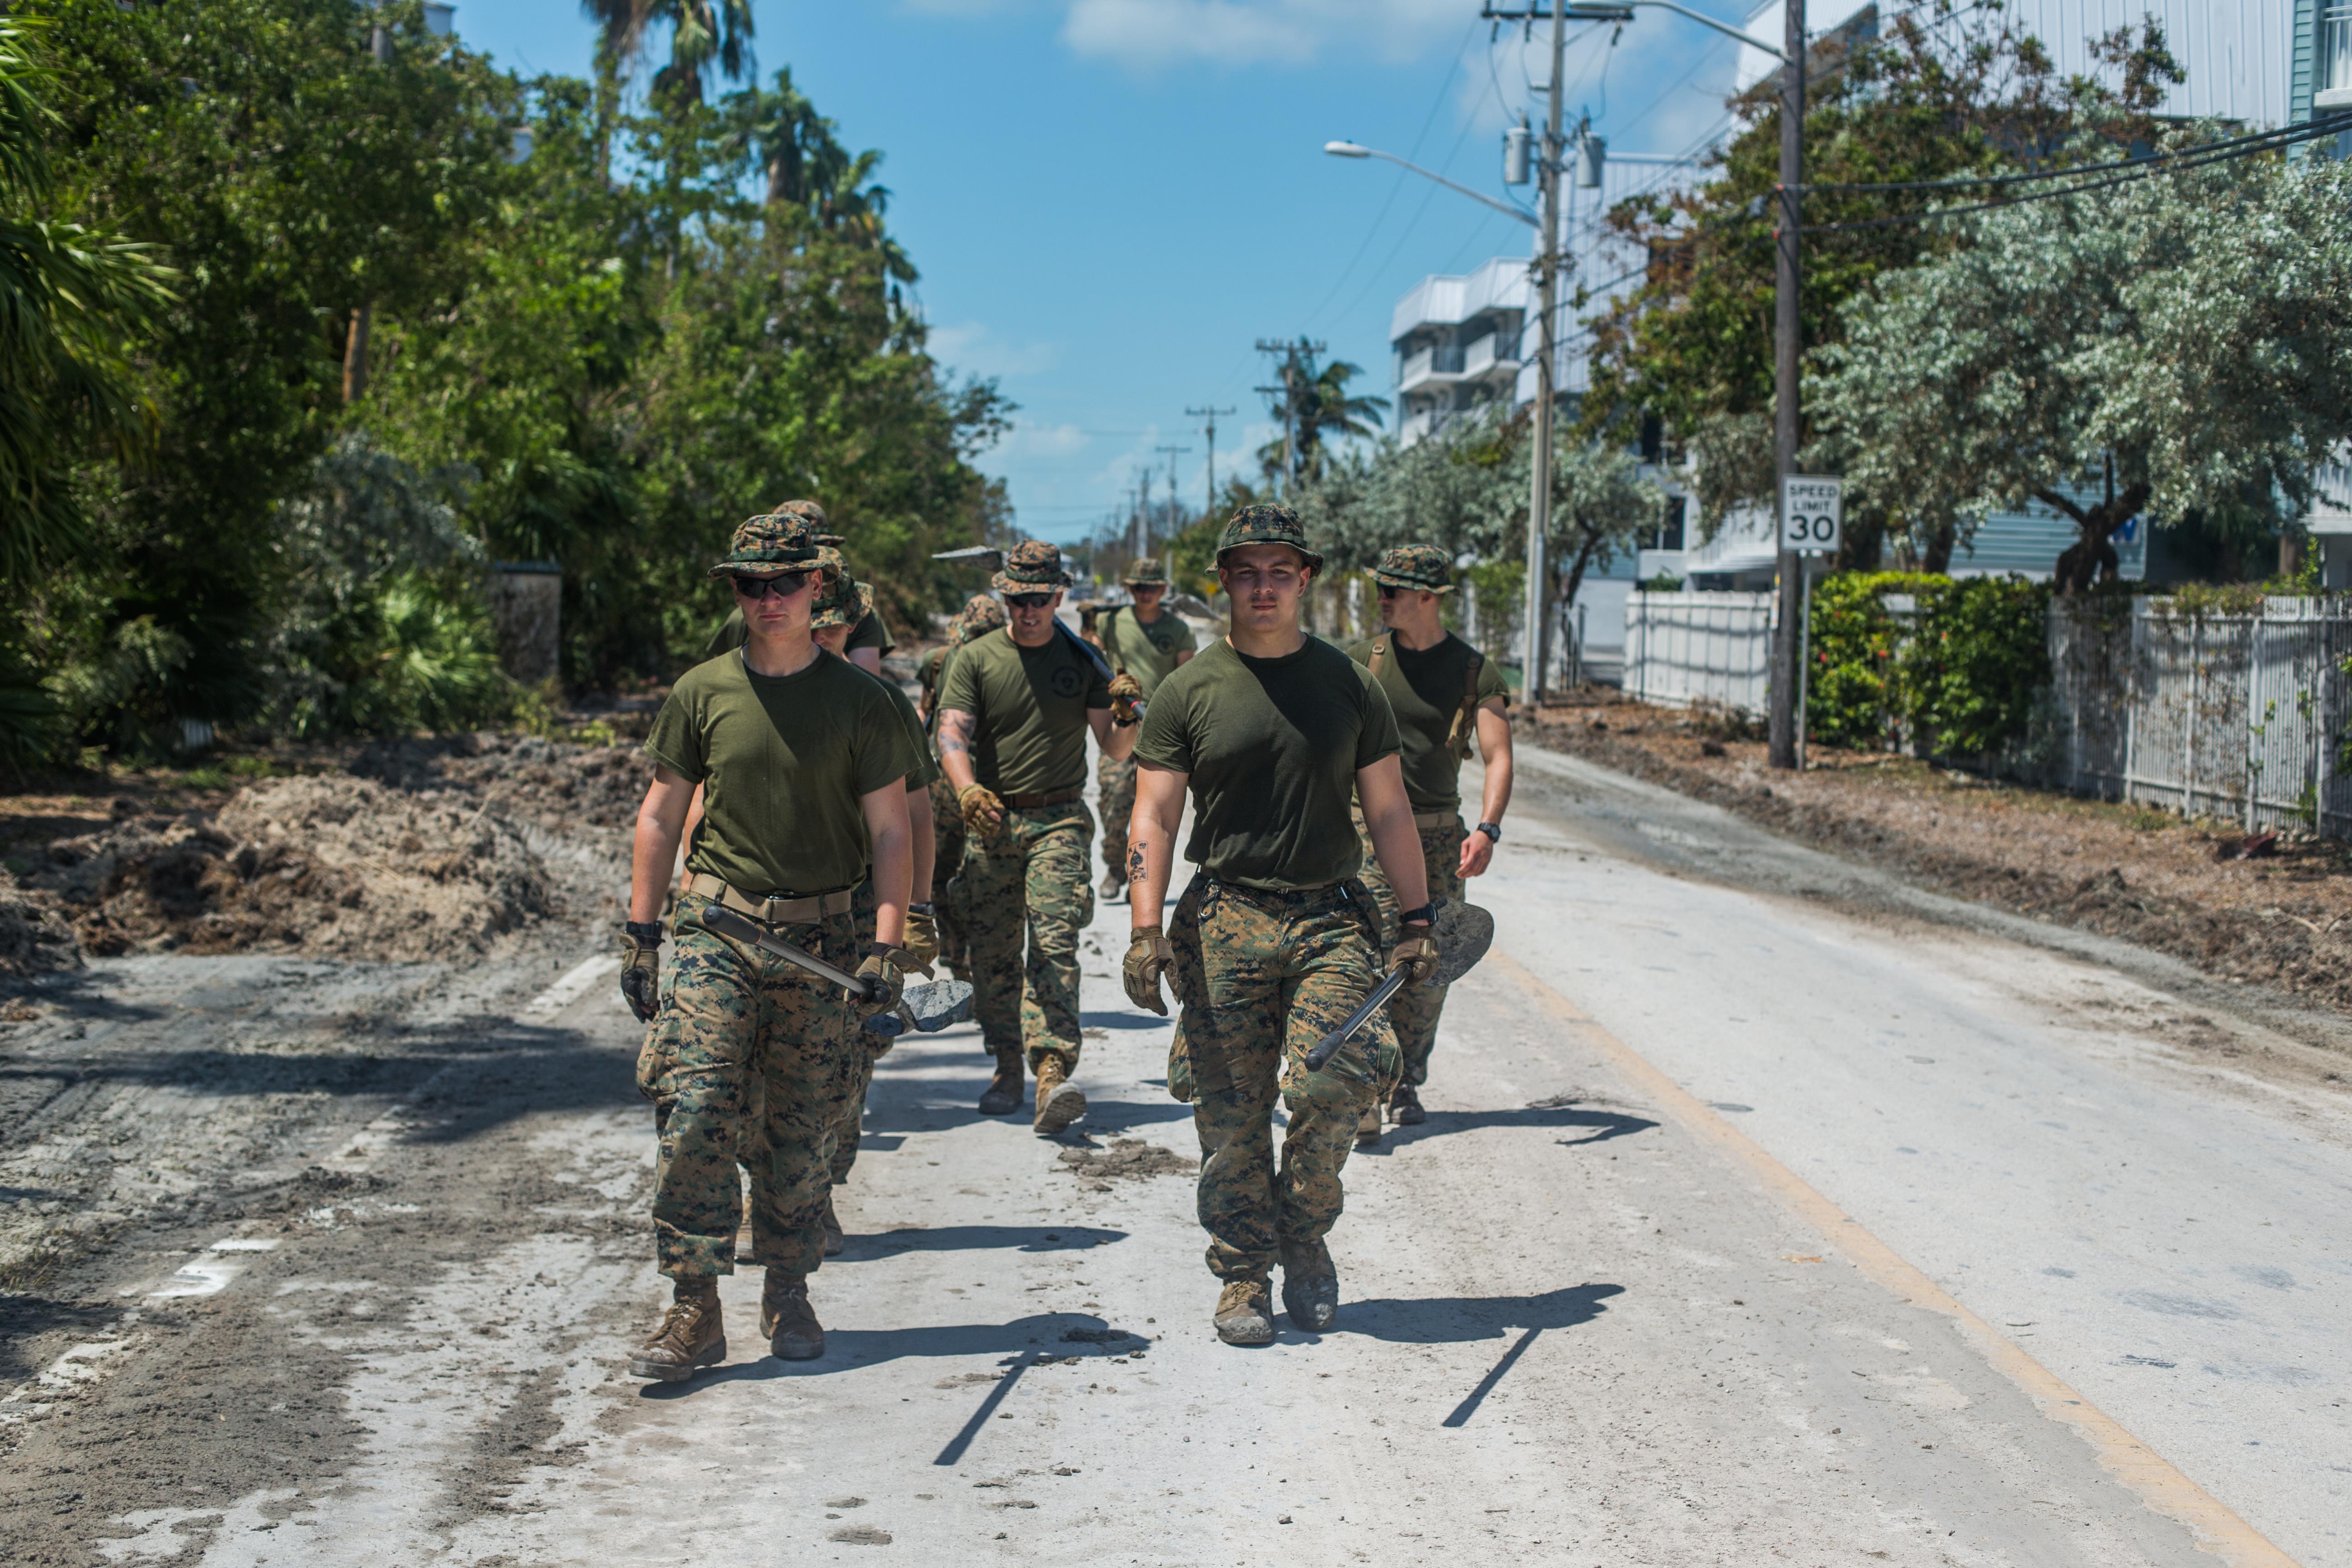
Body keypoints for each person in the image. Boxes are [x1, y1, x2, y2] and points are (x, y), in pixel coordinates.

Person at [1121, 505, 1437, 1347]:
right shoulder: (1187, 691)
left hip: (1329, 919)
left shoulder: (1347, 686)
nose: (1263, 586)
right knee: (1229, 1117)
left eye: (1280, 571)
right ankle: (1242, 1275)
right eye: (1246, 571)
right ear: (1223, 580)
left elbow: (1389, 809)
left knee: (1335, 1081)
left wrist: (1415, 917)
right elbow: (1152, 815)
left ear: (1305, 580)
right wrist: (1145, 928)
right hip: (1223, 918)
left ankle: (1303, 1231)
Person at [620, 510, 919, 1379]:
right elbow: (661, 813)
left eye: (782, 583)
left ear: (817, 587)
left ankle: (787, 1285)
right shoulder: (702, 690)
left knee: (800, 1127)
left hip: (821, 940)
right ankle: (693, 1306)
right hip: (716, 929)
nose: (765, 600)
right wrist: (642, 936)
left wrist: (885, 946)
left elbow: (892, 833)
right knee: (698, 1107)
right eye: (749, 585)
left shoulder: (862, 703)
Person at [935, 541, 1137, 1131]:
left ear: (1059, 596)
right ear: (1004, 596)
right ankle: (1006, 1064)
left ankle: (1052, 1070)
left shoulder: (1083, 660)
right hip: (992, 819)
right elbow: (951, 734)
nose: (1029, 610)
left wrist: (1126, 712)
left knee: (1052, 940)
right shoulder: (974, 659)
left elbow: (1117, 748)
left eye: (1041, 599)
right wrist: (968, 790)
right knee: (993, 955)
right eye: (1019, 599)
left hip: (1059, 820)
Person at [1345, 545, 1514, 1140]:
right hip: (1366, 832)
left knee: (1424, 965)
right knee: (1366, 960)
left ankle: (1406, 1077)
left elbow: (1498, 756)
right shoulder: (1361, 661)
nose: (1382, 598)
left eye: (1393, 590)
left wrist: (1489, 828)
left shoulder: (1474, 671)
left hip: (1441, 838)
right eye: (1380, 588)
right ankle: (1366, 1084)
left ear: (1428, 598)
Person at [810, 558, 943, 1254]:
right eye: (818, 623)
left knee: (846, 1053)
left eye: (837, 627)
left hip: (861, 900)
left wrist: (915, 911)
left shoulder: (881, 703)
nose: (824, 636)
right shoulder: (743, 682)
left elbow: (914, 817)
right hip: (773, 901)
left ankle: (820, 1190)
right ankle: (769, 1190)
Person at [1088, 557, 1196, 904]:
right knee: (1114, 799)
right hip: (1123, 722)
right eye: (1138, 588)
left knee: (1159, 809)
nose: (1145, 593)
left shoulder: (1178, 629)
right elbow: (1087, 651)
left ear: (1163, 590)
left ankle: (1146, 879)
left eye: (1152, 588)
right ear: (1130, 589)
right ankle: (1115, 868)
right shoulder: (1112, 622)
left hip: (1160, 727)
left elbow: (1189, 677)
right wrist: (1089, 624)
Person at [919, 595, 1006, 981]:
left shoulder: (939, 658)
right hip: (973, 782)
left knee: (949, 877)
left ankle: (961, 964)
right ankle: (973, 965)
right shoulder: (943, 661)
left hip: (952, 781)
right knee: (976, 878)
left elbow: (925, 713)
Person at [702, 501, 894, 673]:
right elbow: (721, 680)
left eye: (791, 581)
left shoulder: (857, 608)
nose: (771, 600)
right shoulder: (746, 616)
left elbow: (865, 684)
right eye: (752, 585)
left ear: (816, 581)